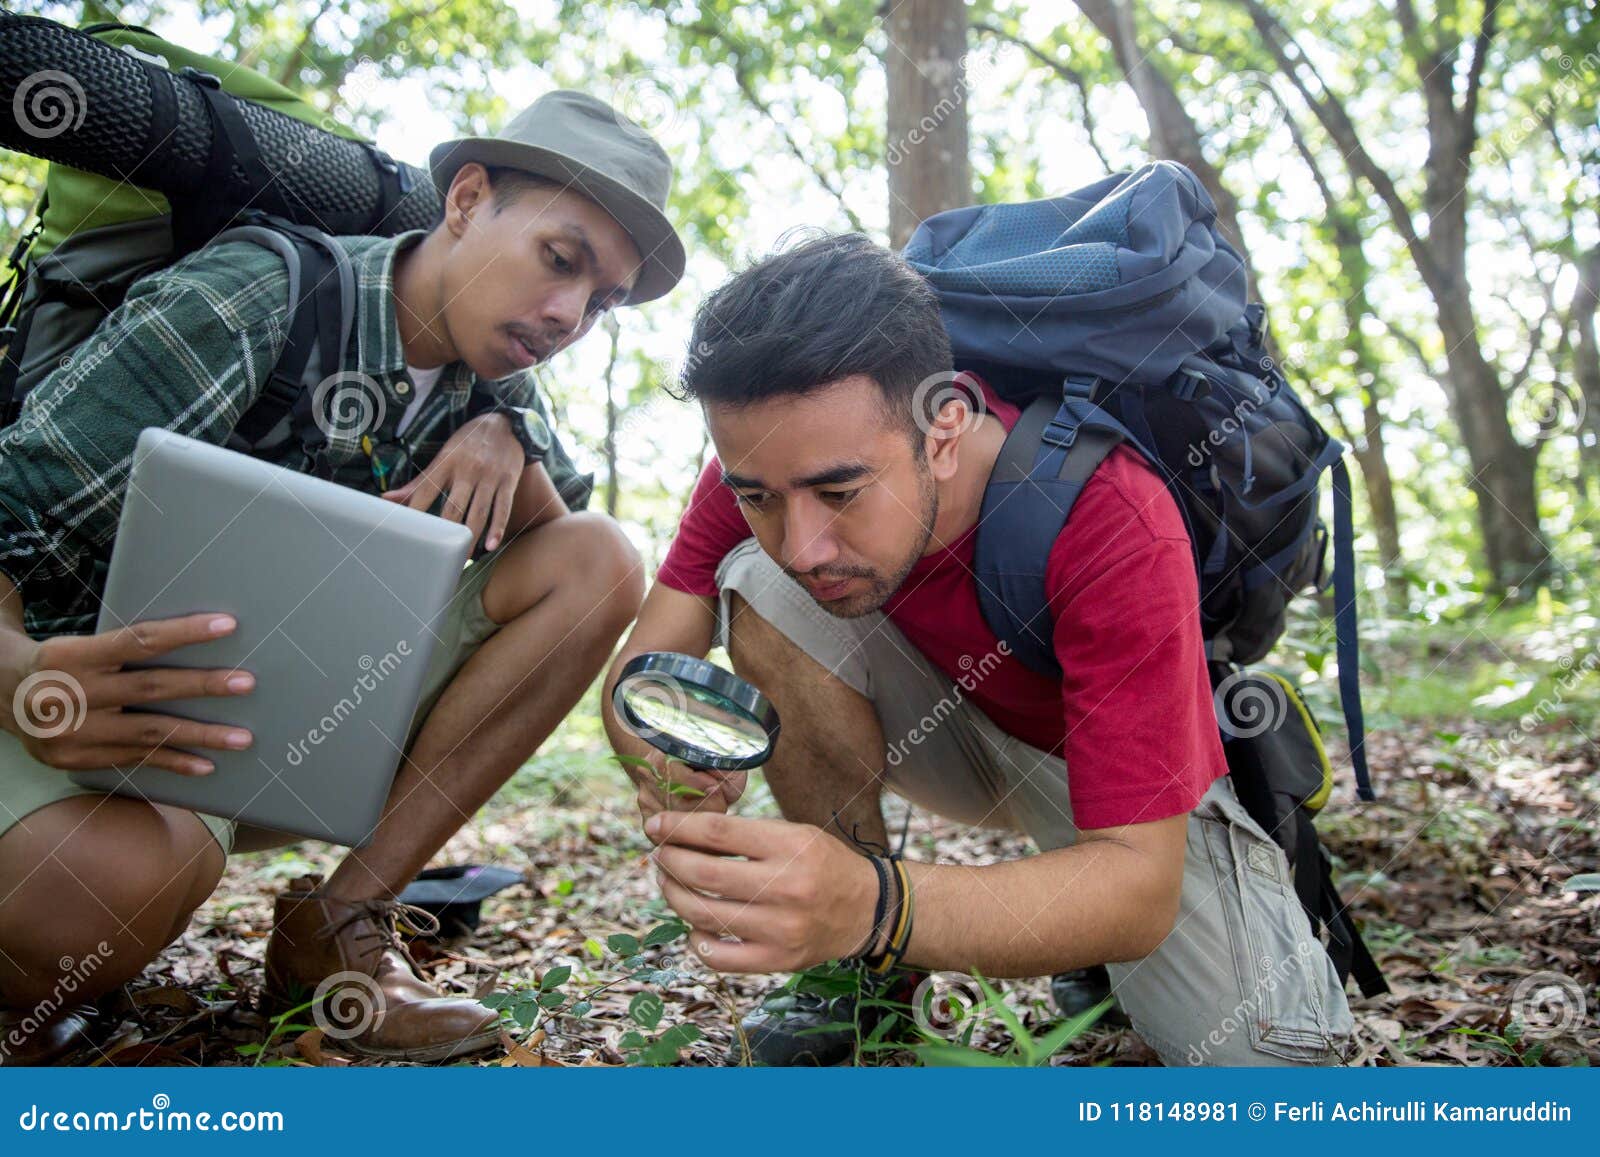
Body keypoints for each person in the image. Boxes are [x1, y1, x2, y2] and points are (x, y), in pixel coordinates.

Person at [0, 91, 684, 1065]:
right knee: (114, 892)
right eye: (561, 259)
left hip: (273, 728)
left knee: (601, 555)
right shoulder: (254, 300)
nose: (571, 314)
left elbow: (569, 566)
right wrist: (25, 677)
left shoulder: (496, 381)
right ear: (467, 198)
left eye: (602, 301)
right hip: (71, 710)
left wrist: (506, 432)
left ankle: (341, 921)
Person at [603, 233, 1354, 1067]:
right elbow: (644, 669)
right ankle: (863, 976)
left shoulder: (1111, 517)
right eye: (757, 496)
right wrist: (663, 760)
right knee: (756, 579)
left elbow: (1141, 886)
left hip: (1104, 779)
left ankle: (1031, 931)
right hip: (947, 728)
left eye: (842, 492)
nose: (803, 542)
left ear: (946, 428)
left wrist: (875, 903)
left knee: (1265, 1066)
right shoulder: (778, 461)